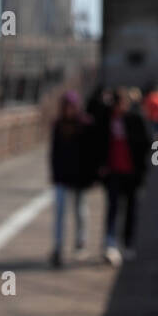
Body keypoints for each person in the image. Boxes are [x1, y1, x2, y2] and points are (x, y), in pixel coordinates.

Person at [99, 87, 150, 265]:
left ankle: (127, 244)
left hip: (132, 173)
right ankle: (110, 245)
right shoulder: (106, 120)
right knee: (112, 209)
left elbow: (152, 141)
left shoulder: (136, 120)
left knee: (130, 209)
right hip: (113, 172)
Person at [49, 91, 94, 268]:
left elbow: (90, 152)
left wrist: (91, 174)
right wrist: (53, 172)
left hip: (79, 175)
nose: (68, 109)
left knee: (80, 209)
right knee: (60, 211)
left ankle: (80, 242)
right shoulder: (58, 125)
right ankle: (58, 247)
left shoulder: (84, 124)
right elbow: (54, 152)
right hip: (61, 175)